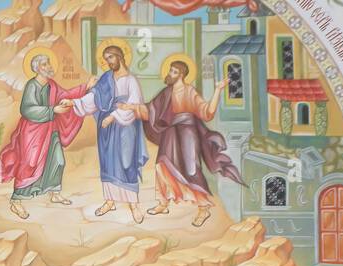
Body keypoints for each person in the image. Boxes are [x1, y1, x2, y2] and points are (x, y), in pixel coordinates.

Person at [135, 58, 242, 228]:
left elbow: (208, 112)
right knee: (161, 166)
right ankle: (163, 203)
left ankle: (203, 208)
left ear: (182, 75)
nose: (170, 74)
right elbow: (150, 110)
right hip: (171, 132)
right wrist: (132, 108)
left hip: (187, 132)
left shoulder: (189, 91)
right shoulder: (166, 92)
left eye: (174, 72)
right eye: (170, 71)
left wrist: (218, 90)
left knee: (192, 169)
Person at [0, 53, 83, 220]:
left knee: (58, 161)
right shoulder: (31, 86)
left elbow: (66, 95)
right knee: (29, 164)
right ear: (38, 68)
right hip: (32, 132)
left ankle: (54, 192)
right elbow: (27, 110)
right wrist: (52, 110)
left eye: (48, 63)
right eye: (45, 64)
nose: (49, 66)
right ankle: (16, 200)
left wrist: (85, 88)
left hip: (51, 130)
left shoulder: (52, 85)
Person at [63, 44, 147, 223]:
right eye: (106, 59)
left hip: (126, 127)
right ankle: (110, 201)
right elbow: (94, 98)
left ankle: (133, 205)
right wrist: (73, 103)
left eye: (110, 57)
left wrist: (114, 116)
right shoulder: (106, 78)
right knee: (108, 163)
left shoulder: (131, 80)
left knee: (126, 163)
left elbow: (135, 103)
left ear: (120, 57)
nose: (108, 62)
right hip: (107, 129)